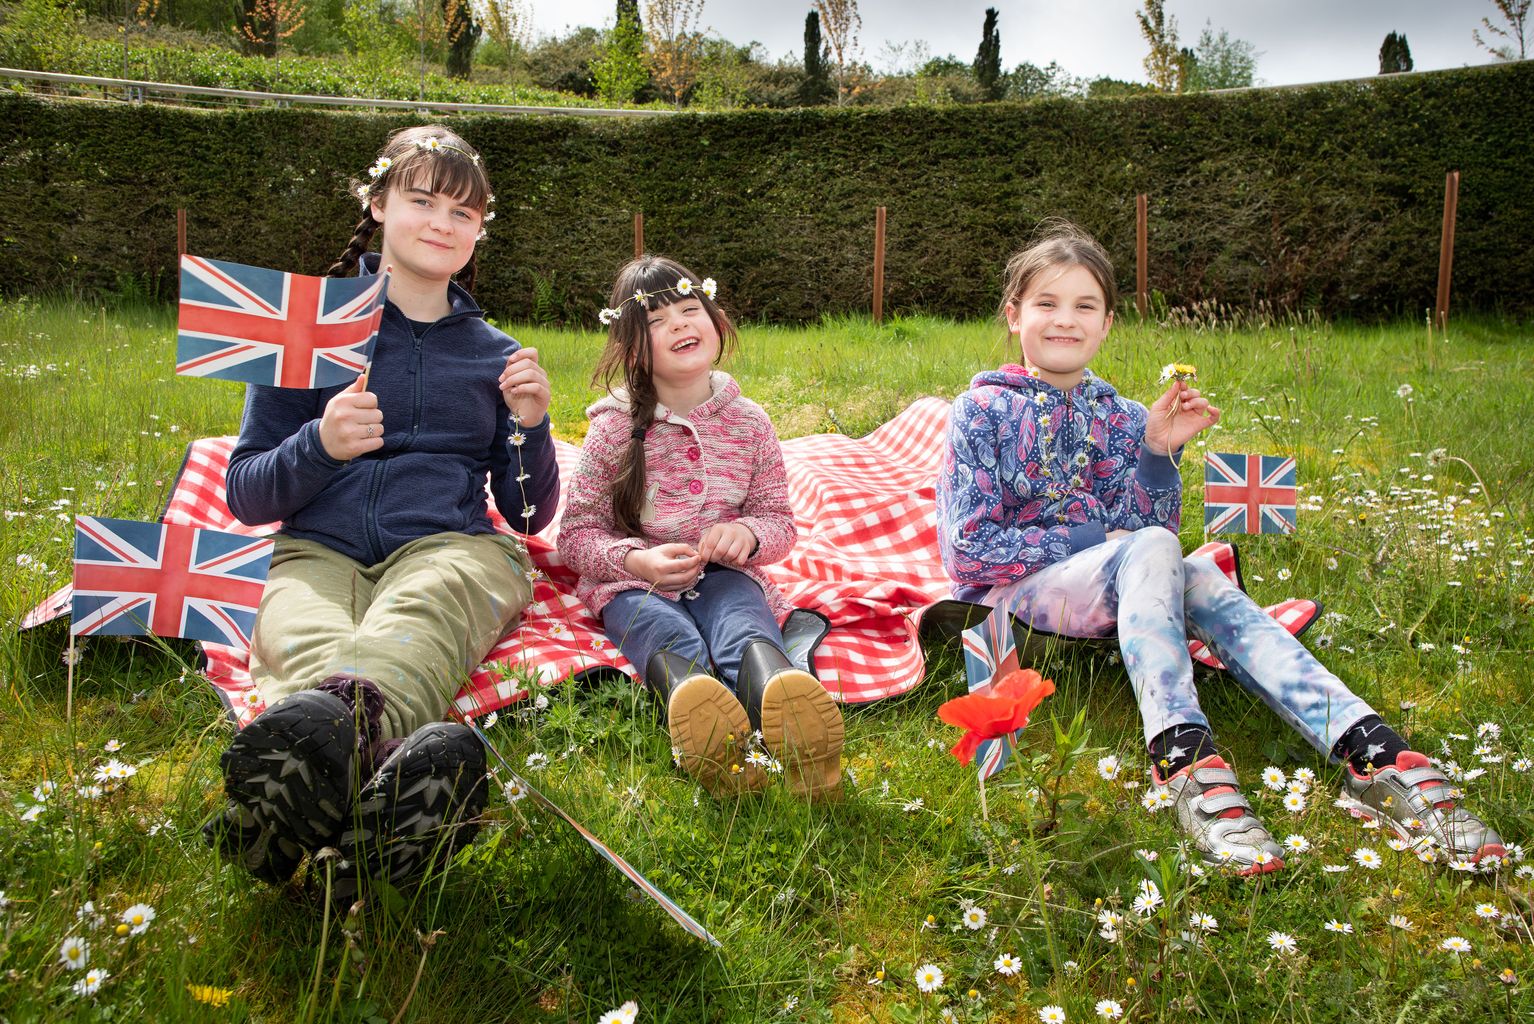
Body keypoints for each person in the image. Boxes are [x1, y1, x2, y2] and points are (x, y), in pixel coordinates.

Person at [935, 222, 1503, 873]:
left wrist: (1156, 452)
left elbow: (1152, 534)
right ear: (1014, 315)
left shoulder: (1120, 414)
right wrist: (1096, 537)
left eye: (1084, 305)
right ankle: (1183, 760)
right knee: (1161, 553)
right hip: (1016, 595)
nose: (1066, 320)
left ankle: (1372, 751)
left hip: (1113, 582)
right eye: (1047, 304)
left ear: (1108, 322)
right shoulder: (980, 412)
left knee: (1195, 574)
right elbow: (969, 551)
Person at [204, 126, 560, 901]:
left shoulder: (497, 353)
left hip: (453, 547)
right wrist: (321, 446)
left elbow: (529, 515)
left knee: (423, 613)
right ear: (378, 203)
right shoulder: (310, 328)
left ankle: (293, 803)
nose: (442, 222)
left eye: (464, 212)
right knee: (298, 626)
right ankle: (385, 805)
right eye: (422, 200)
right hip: (314, 549)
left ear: (479, 232)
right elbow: (245, 491)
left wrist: (531, 427)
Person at [557, 255, 843, 800]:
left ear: (716, 321)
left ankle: (791, 720)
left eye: (691, 310)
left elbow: (780, 521)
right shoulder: (613, 429)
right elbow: (576, 535)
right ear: (634, 349)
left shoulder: (750, 423)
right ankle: (713, 739)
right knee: (664, 635)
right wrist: (634, 561)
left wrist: (750, 536)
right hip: (632, 583)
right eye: (658, 321)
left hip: (726, 574)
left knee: (743, 627)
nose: (681, 325)